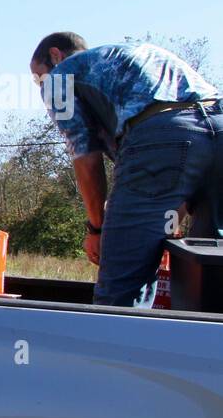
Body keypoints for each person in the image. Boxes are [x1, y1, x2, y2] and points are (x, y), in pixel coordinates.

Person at [31, 33, 222, 307]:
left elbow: (86, 157)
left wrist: (96, 229)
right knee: (210, 278)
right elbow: (191, 145)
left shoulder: (61, 75)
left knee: (122, 290)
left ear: (55, 55)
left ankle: (117, 345)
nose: (39, 84)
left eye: (38, 76)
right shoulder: (136, 56)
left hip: (161, 135)